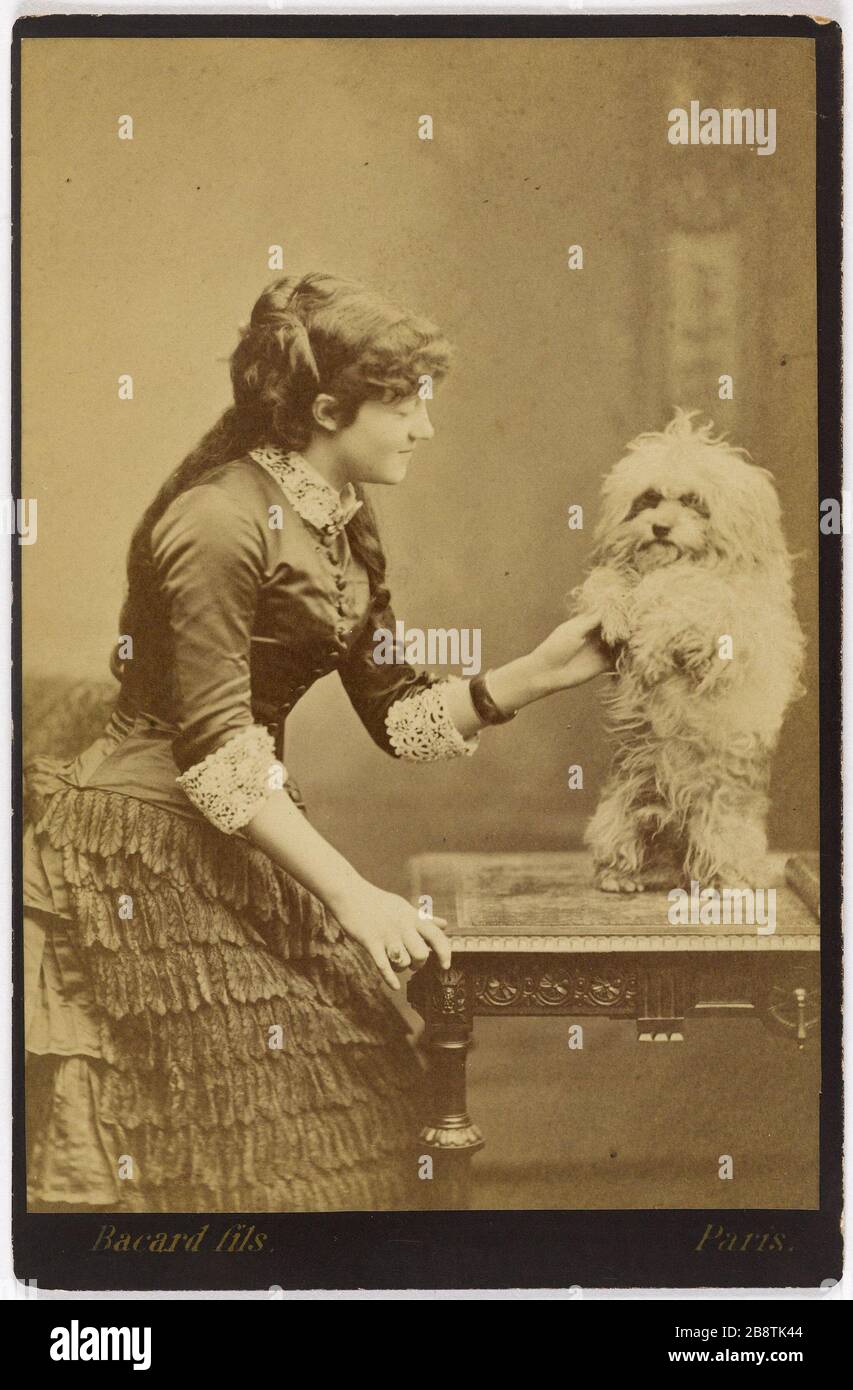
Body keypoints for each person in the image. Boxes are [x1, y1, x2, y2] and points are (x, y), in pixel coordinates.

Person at [22, 271, 608, 1213]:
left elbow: (398, 718)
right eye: (406, 404)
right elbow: (214, 754)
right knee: (245, 1129)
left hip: (241, 831)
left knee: (365, 1080)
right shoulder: (217, 520)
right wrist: (355, 898)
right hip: (146, 845)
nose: (425, 427)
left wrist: (535, 674)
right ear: (329, 409)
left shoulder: (339, 520)